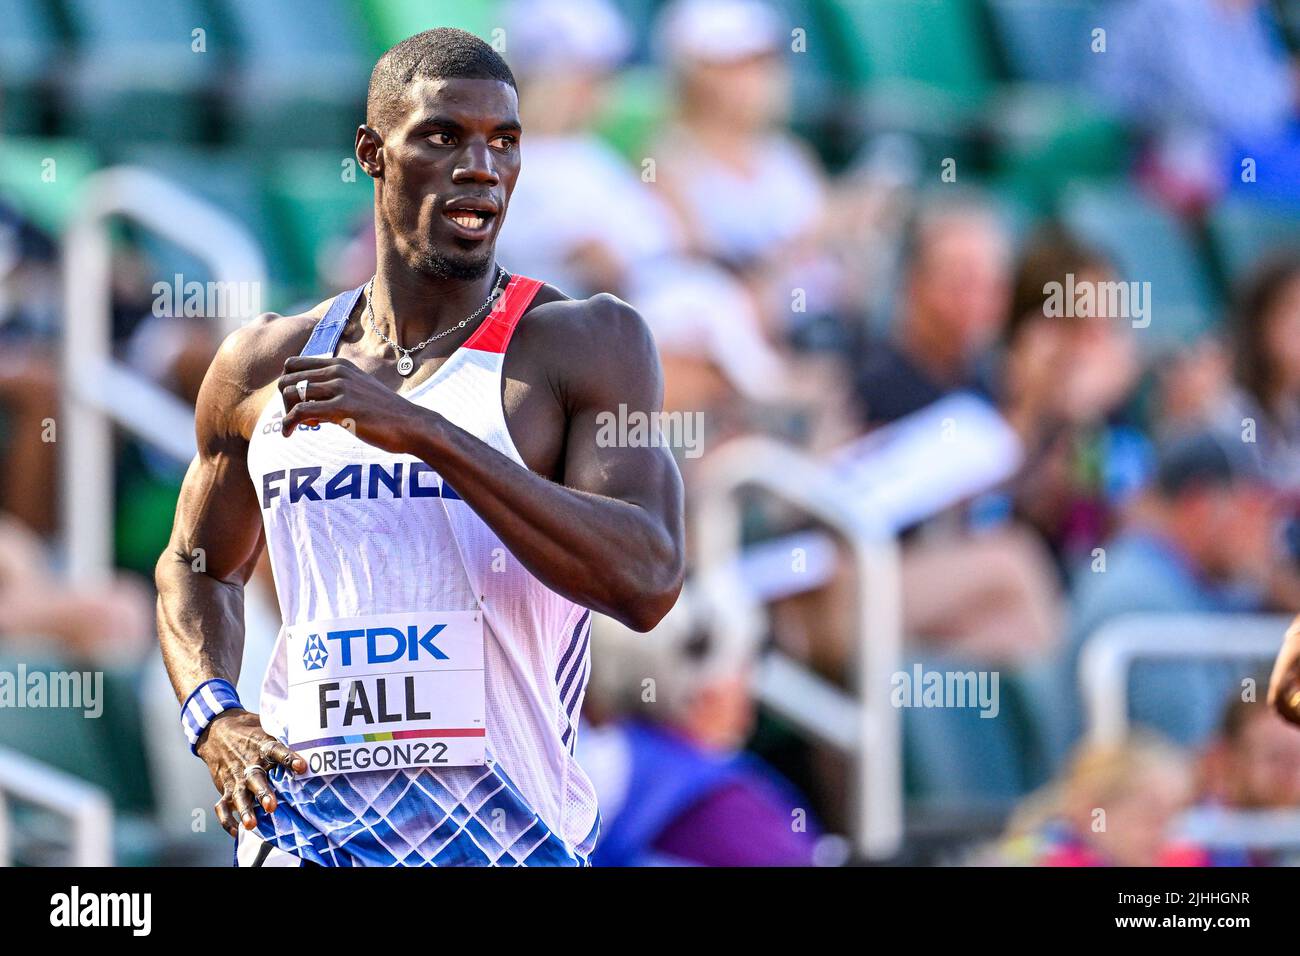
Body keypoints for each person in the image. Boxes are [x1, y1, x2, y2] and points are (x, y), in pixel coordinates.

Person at [155, 28, 685, 867]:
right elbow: (195, 564)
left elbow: (648, 577)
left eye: (503, 142)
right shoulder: (262, 364)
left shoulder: (582, 342)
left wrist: (433, 438)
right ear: (373, 152)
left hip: (507, 838)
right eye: (443, 136)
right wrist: (215, 718)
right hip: (306, 836)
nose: (480, 165)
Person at [579, 588, 823, 866]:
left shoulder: (591, 754)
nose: (749, 686)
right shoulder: (729, 805)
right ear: (704, 689)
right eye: (742, 667)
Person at [996, 734, 1204, 866]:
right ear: (1093, 813)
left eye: (1176, 815)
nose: (1167, 833)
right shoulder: (1037, 859)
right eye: (1151, 816)